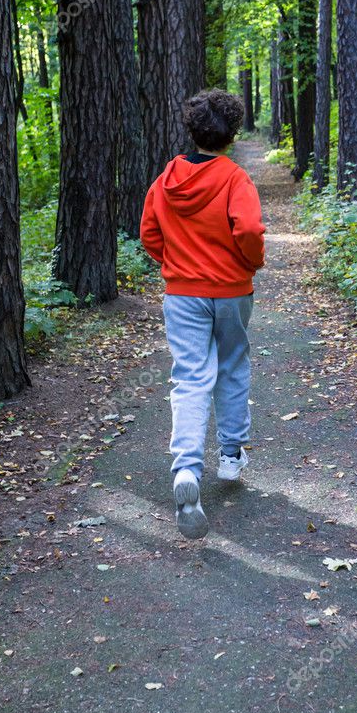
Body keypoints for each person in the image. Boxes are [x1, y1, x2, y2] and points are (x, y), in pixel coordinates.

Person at [140, 90, 265, 539]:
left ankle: (186, 470)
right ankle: (230, 458)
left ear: (191, 131)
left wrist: (173, 263)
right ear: (231, 135)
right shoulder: (235, 179)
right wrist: (249, 262)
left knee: (190, 377)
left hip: (182, 294)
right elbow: (249, 229)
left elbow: (149, 233)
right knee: (231, 367)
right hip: (232, 290)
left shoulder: (165, 180)